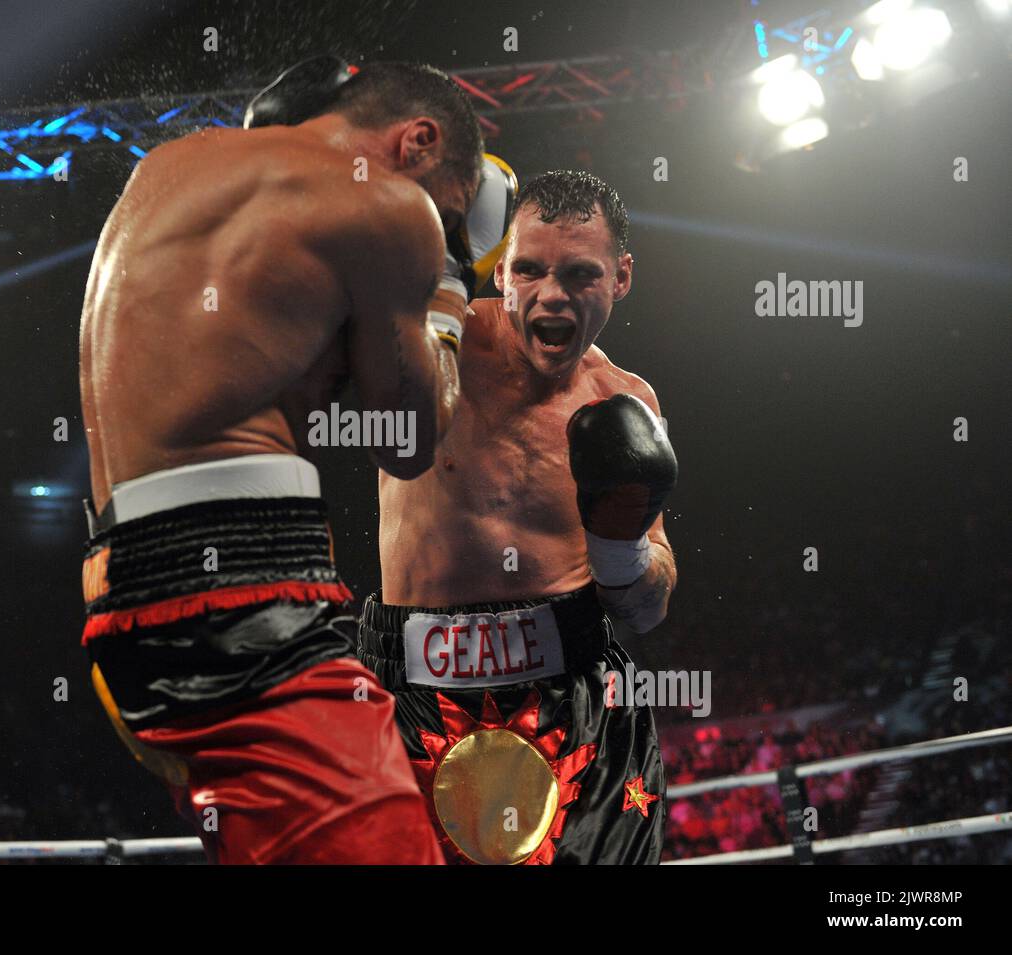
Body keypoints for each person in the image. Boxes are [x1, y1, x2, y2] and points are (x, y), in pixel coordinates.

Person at [78, 57, 496, 864]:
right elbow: (407, 442)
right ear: (418, 142)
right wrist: (444, 292)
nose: (436, 231)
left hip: (117, 596)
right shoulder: (385, 204)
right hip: (240, 599)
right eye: (448, 212)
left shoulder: (165, 168)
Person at [357, 170, 679, 864]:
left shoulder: (627, 400)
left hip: (575, 693)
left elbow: (647, 608)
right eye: (528, 269)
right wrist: (434, 262)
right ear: (499, 269)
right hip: (413, 690)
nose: (550, 295)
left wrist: (619, 546)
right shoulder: (437, 343)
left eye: (580, 274)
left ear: (621, 277)